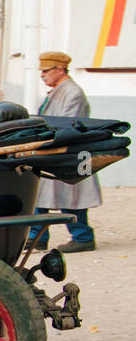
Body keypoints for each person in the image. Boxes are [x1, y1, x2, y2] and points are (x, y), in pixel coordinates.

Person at [27, 52, 100, 253]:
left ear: (60, 69)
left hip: (70, 153)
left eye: (46, 71)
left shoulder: (73, 93)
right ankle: (37, 238)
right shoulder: (58, 90)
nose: (42, 75)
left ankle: (83, 237)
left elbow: (68, 125)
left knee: (73, 199)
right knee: (40, 197)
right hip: (55, 151)